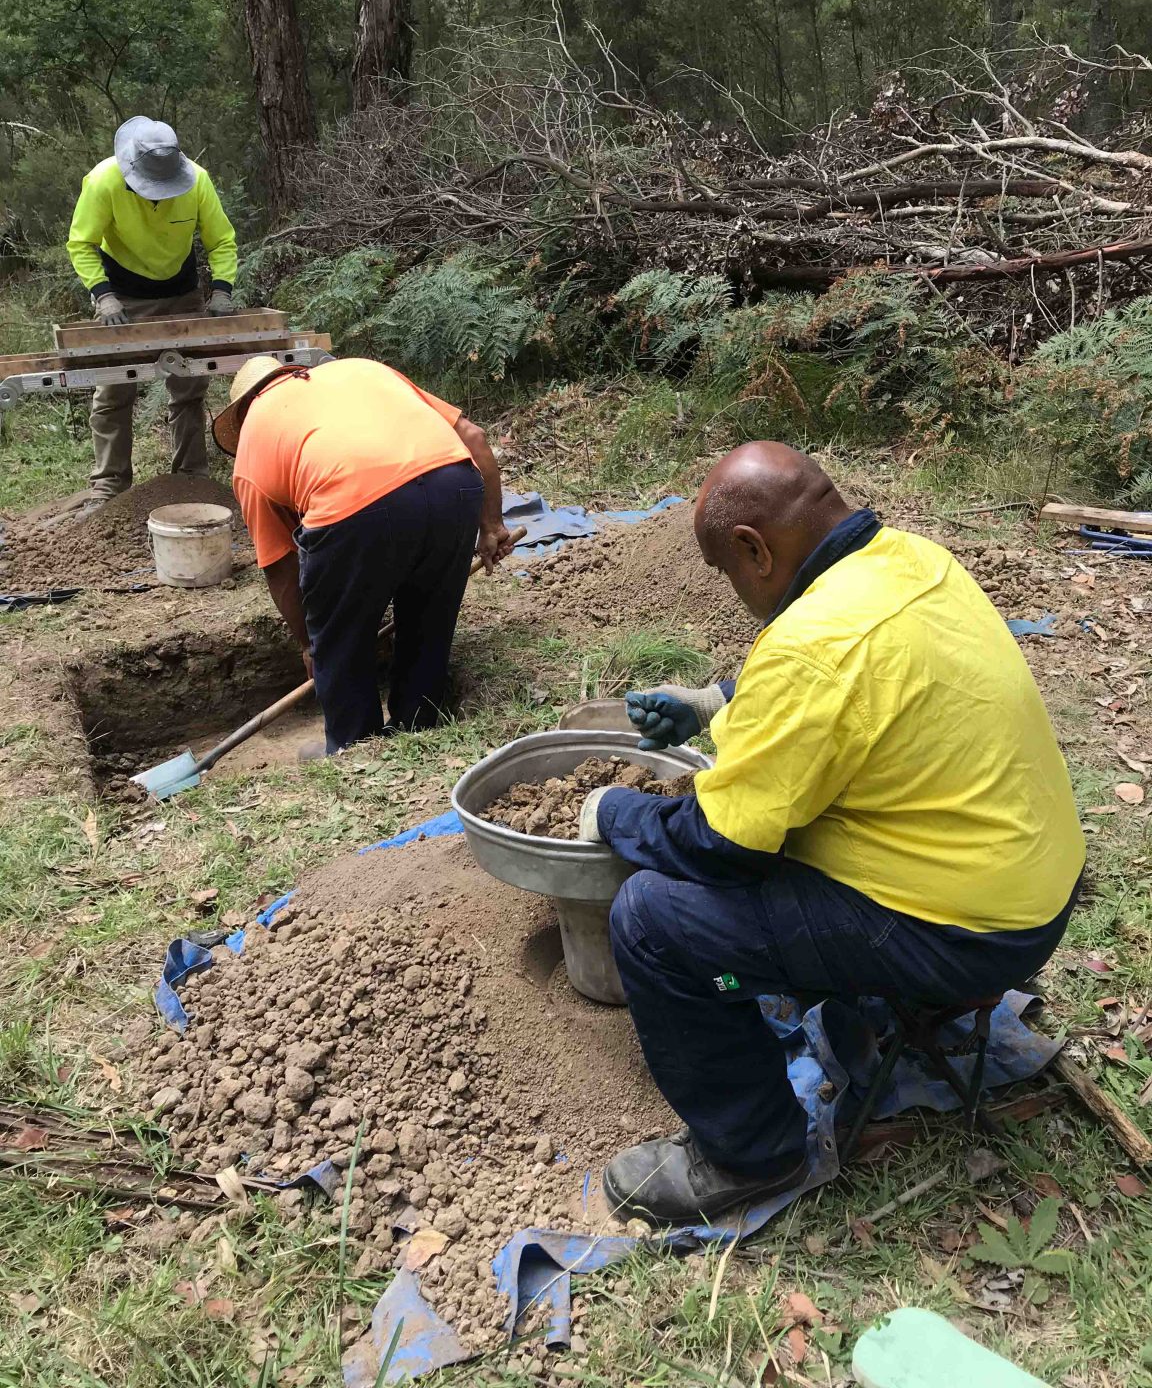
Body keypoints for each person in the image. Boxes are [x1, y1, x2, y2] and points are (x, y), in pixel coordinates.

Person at [579, 442, 1085, 1224]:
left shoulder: (812, 644)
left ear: (753, 548)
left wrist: (612, 813)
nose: (735, 592)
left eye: (727, 573)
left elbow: (723, 841)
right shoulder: (912, 560)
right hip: (1034, 889)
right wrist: (714, 702)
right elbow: (851, 670)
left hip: (964, 934)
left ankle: (752, 1155)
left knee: (651, 918)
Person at [212, 354, 515, 756]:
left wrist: (313, 645)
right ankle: (418, 725)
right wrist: (491, 526)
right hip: (454, 486)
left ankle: (354, 749)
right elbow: (473, 437)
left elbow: (280, 566)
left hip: (354, 506)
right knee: (429, 618)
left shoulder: (252, 445)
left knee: (342, 639)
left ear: (245, 410)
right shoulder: (363, 370)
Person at [67, 117, 238, 506]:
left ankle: (191, 477)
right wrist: (102, 295)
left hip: (181, 292)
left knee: (189, 387)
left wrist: (222, 292)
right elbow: (81, 243)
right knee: (113, 389)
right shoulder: (103, 181)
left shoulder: (197, 181)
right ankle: (110, 485)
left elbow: (222, 240)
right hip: (121, 298)